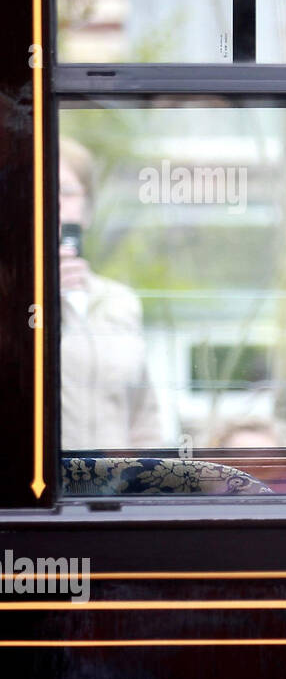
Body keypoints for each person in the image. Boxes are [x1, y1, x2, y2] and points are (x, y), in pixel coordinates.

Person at [59, 137, 165, 451]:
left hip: (110, 493)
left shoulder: (120, 302)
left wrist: (147, 487)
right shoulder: (13, 299)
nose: (53, 202)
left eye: (65, 191)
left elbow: (144, 418)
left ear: (88, 210)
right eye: (40, 191)